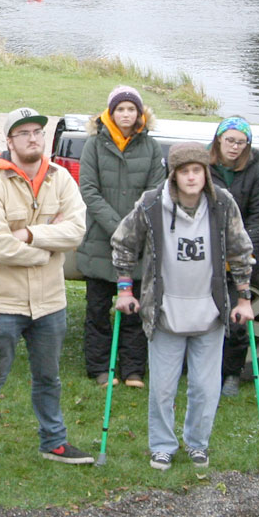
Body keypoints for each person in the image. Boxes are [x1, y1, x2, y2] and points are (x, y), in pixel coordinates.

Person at [0, 107, 91, 483]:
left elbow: (77, 231)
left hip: (50, 302)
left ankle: (54, 441)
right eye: (24, 133)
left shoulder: (61, 178)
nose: (33, 138)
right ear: (10, 141)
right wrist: (47, 250)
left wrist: (30, 234)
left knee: (49, 377)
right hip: (2, 302)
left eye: (38, 132)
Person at [111, 143, 254, 474]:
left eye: (197, 171)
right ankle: (162, 446)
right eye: (184, 171)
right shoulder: (151, 204)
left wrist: (244, 298)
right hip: (165, 313)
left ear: (206, 174)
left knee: (205, 388)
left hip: (209, 313)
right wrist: (124, 289)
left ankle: (197, 442)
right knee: (162, 388)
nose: (191, 177)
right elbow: (123, 243)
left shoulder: (223, 204)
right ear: (173, 175)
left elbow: (240, 249)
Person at [77, 87, 166, 390]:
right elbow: (89, 190)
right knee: (98, 308)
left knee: (135, 309)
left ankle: (133, 368)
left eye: (131, 109)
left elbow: (156, 191)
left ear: (140, 113)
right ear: (110, 113)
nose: (126, 115)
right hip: (100, 240)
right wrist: (119, 228)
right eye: (120, 109)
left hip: (140, 242)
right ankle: (100, 367)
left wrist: (134, 229)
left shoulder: (151, 147)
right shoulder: (94, 145)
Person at [207, 115, 259, 398]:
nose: (234, 147)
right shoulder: (204, 167)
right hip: (206, 254)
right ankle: (202, 369)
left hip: (237, 256)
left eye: (241, 143)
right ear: (219, 139)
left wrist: (244, 251)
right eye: (230, 140)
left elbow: (257, 215)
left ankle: (231, 373)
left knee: (237, 319)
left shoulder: (255, 172)